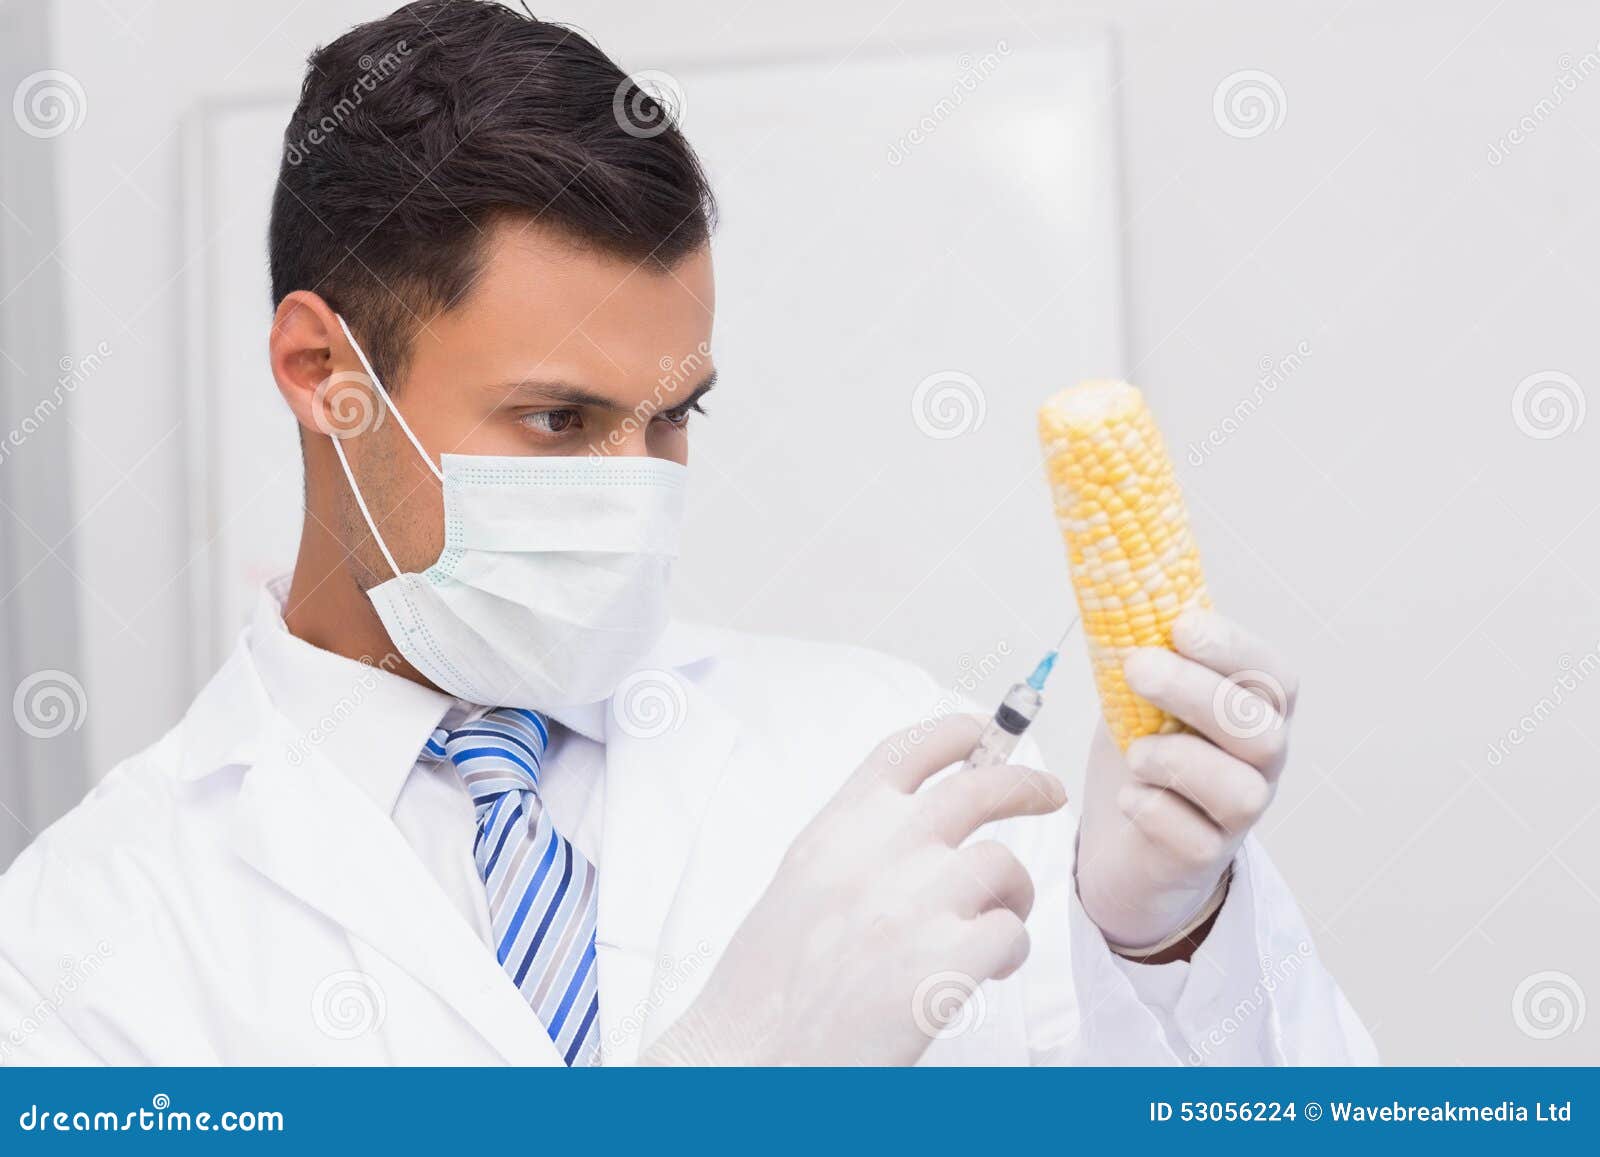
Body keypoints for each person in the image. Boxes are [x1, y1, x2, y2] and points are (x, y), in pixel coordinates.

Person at [0, 0, 1373, 1066]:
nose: (635, 485)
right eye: (558, 421)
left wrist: (1165, 938)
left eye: (672, 419)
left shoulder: (878, 753)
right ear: (321, 371)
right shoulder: (83, 943)